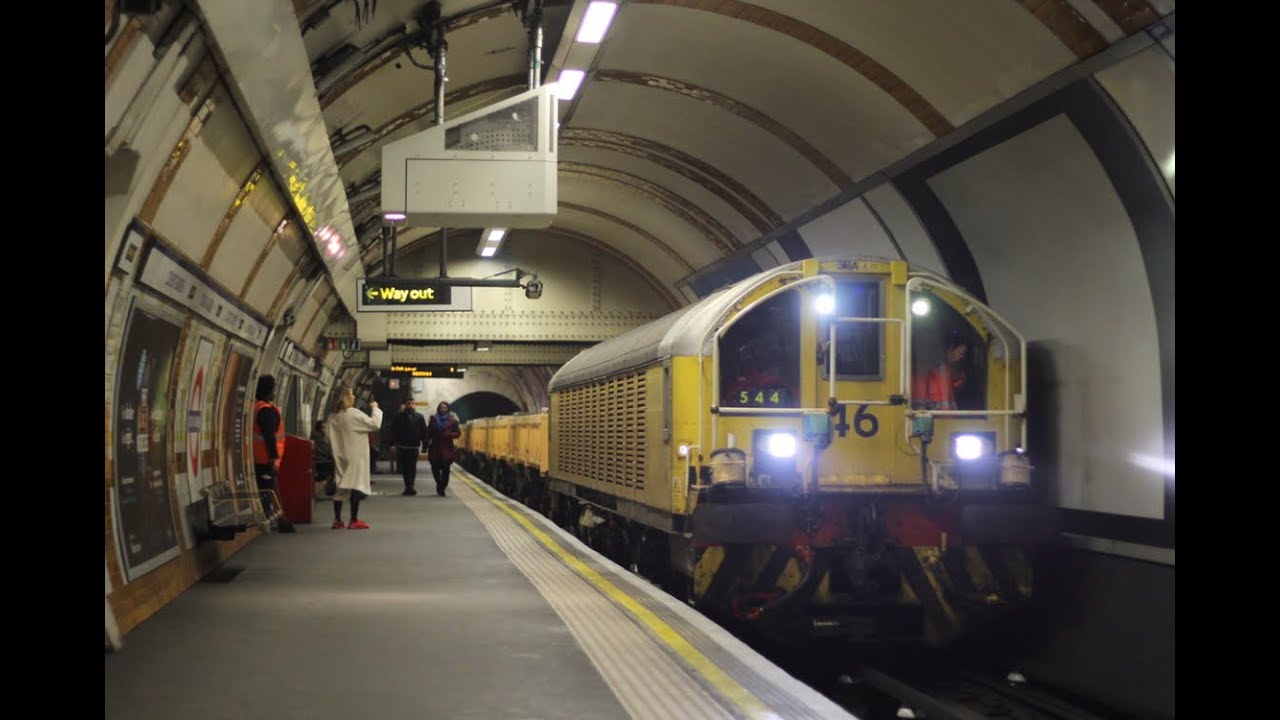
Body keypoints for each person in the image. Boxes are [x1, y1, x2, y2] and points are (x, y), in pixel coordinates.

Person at [327, 386, 383, 529]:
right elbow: (375, 424)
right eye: (351, 395)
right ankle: (354, 520)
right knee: (356, 485)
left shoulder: (333, 417)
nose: (354, 397)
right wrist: (375, 408)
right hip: (356, 454)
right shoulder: (353, 414)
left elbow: (328, 436)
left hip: (340, 456)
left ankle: (337, 520)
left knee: (341, 486)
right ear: (345, 397)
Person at [252, 375, 295, 533]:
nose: (275, 393)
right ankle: (272, 521)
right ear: (268, 391)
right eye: (273, 389)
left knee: (266, 491)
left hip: (256, 458)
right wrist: (273, 457)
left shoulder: (254, 407)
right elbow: (269, 436)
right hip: (264, 459)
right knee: (267, 491)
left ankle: (272, 519)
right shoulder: (266, 411)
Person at [918, 334, 970, 411]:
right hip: (939, 418)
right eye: (959, 352)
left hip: (946, 418)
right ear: (950, 349)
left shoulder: (951, 371)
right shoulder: (936, 370)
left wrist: (960, 378)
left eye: (962, 354)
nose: (960, 356)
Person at [388, 397, 428, 496]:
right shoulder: (398, 417)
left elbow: (424, 432)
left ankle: (411, 486)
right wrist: (392, 444)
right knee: (405, 468)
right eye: (409, 403)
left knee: (412, 467)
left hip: (414, 447)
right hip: (402, 446)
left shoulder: (419, 417)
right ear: (405, 405)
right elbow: (393, 431)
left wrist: (425, 446)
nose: (411, 405)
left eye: (413, 403)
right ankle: (408, 486)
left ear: (415, 405)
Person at [425, 401, 461, 497]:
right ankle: (439, 483)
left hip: (447, 447)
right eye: (441, 407)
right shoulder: (433, 419)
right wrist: (426, 442)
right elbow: (429, 432)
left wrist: (449, 434)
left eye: (445, 407)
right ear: (438, 408)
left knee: (446, 469)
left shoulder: (453, 421)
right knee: (434, 468)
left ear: (448, 409)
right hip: (435, 447)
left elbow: (458, 433)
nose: (443, 409)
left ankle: (442, 486)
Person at [311, 420, 335, 495]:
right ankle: (327, 484)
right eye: (323, 427)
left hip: (317, 461)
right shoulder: (319, 438)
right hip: (322, 462)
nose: (325, 429)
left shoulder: (315, 436)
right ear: (319, 428)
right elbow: (326, 450)